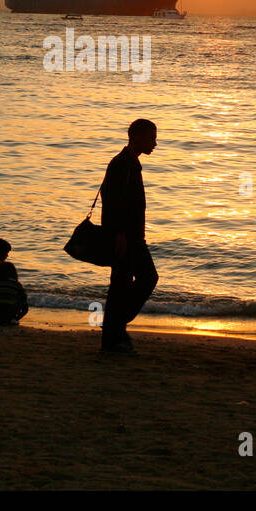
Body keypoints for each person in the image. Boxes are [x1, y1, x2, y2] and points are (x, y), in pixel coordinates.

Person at [98, 119, 160, 355]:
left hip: (132, 236)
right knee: (143, 279)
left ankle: (114, 333)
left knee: (122, 285)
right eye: (151, 138)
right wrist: (119, 234)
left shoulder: (129, 162)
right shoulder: (123, 163)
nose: (155, 143)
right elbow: (112, 200)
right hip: (126, 237)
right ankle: (115, 330)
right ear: (136, 137)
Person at [0, 261, 29, 325]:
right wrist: (17, 318)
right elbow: (24, 305)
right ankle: (13, 319)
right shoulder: (16, 284)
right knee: (21, 298)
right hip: (9, 315)